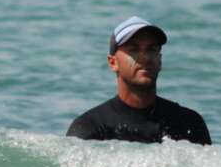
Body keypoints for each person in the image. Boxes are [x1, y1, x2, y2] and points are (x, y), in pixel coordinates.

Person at [67, 16, 211, 145]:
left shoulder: (189, 123)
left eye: (152, 49)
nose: (145, 58)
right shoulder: (89, 129)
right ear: (113, 63)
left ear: (160, 60)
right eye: (134, 49)